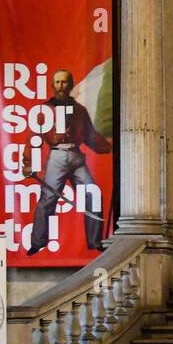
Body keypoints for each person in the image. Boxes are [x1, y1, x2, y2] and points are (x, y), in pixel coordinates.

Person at [28, 68, 112, 254]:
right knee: (47, 199)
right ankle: (38, 242)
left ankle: (95, 241)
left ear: (70, 85)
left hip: (76, 156)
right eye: (57, 82)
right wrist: (28, 162)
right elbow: (34, 137)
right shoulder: (44, 110)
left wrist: (107, 147)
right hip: (56, 157)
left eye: (64, 82)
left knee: (93, 195)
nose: (61, 86)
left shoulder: (79, 110)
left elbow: (90, 135)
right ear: (52, 85)